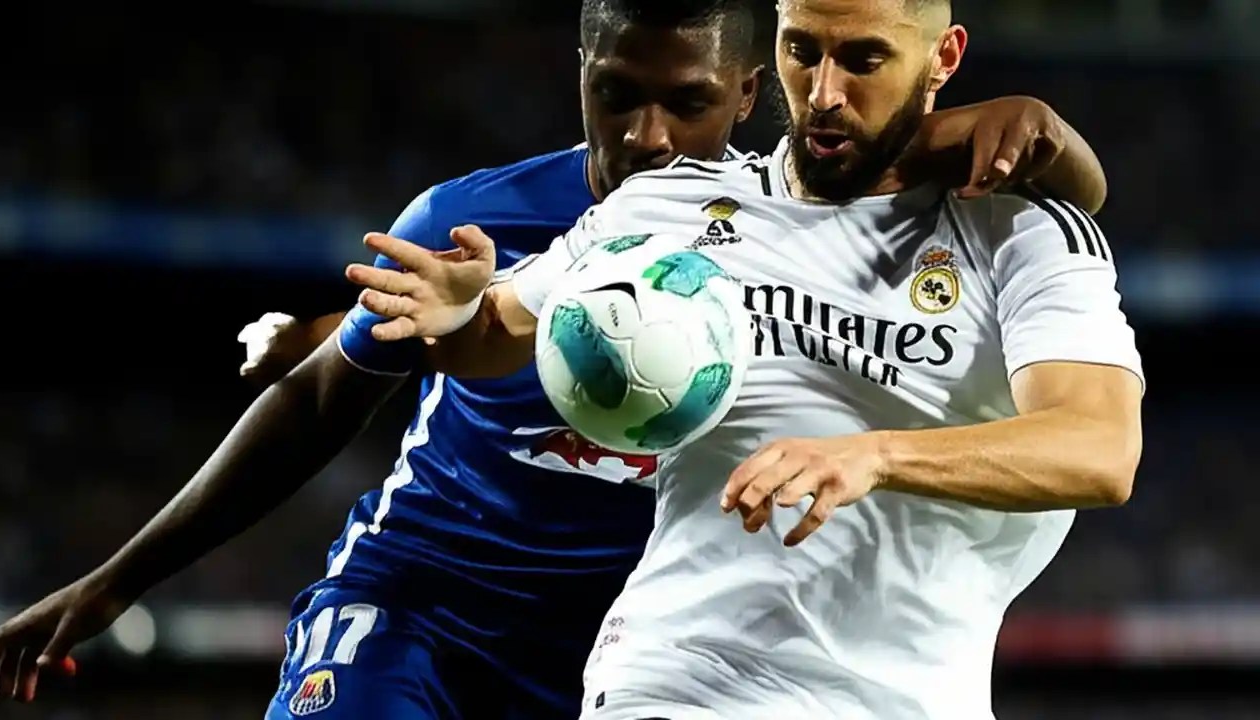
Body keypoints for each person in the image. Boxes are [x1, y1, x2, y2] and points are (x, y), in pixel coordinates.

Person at [0, 1, 1109, 718]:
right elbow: (339, 388)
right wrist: (113, 578)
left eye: (687, 104)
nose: (648, 137)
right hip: (429, 607)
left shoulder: (761, 229)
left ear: (739, 97)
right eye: (617, 95)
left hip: (598, 645)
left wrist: (1042, 140)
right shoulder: (503, 217)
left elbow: (1061, 290)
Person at [343, 0, 1144, 717]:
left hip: (910, 697)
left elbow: (1098, 447)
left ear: (943, 58)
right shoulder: (671, 205)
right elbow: (496, 335)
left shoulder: (1021, 234)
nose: (824, 92)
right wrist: (457, 315)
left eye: (863, 59)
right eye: (802, 50)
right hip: (675, 683)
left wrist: (876, 457)